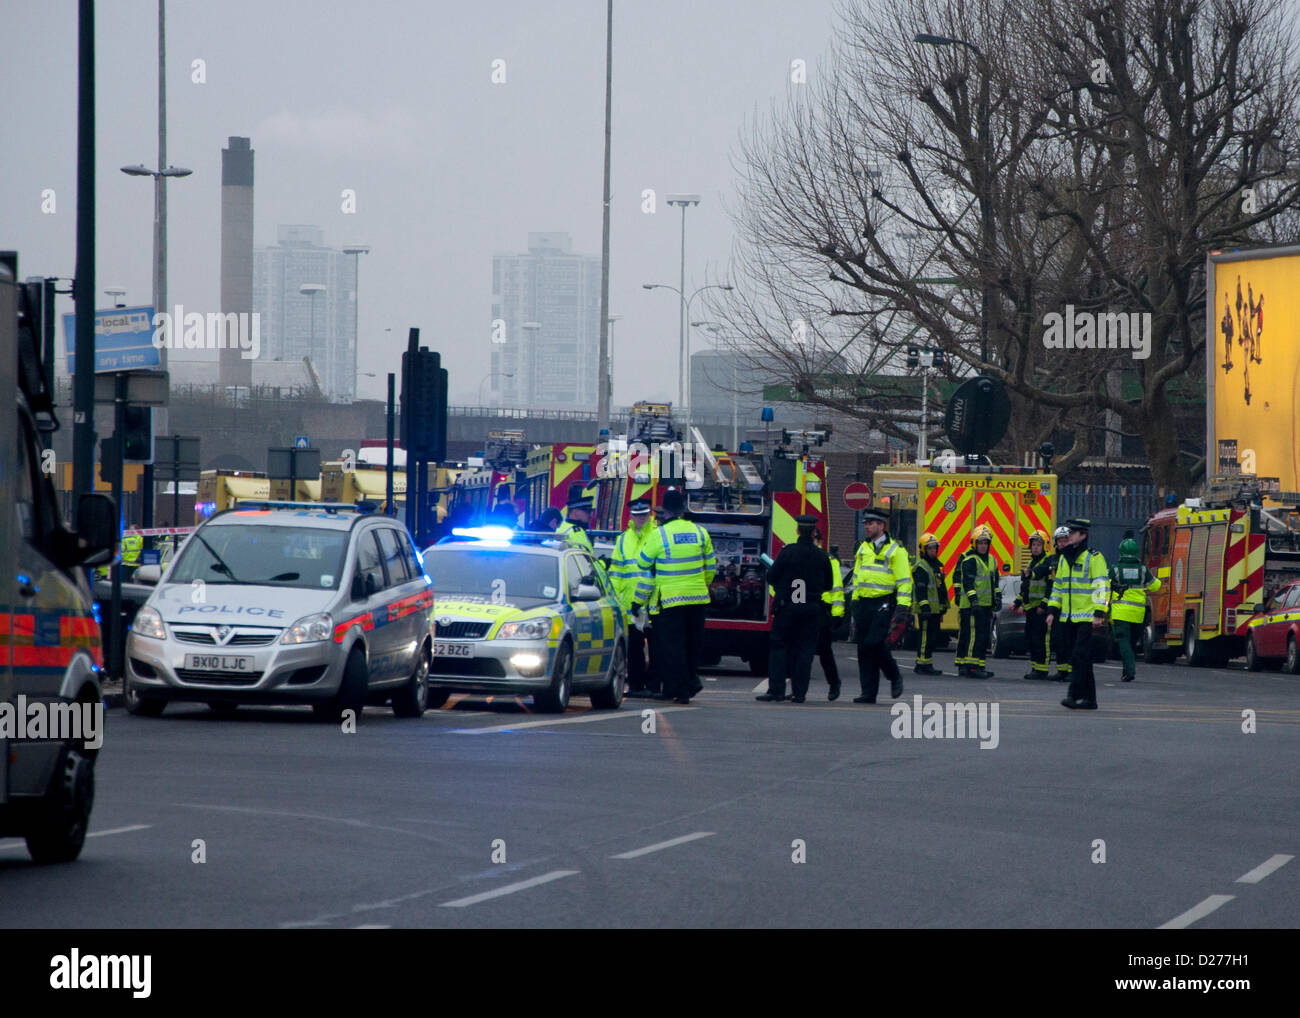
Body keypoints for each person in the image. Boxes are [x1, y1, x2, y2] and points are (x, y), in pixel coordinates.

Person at [631, 488, 715, 704]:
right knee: (692, 646)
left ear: (664, 511)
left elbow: (643, 564)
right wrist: (700, 586)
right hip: (697, 600)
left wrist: (638, 602)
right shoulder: (700, 532)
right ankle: (687, 684)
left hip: (671, 601)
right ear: (683, 509)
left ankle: (681, 690)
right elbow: (711, 568)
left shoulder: (659, 535)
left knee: (673, 648)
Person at [758, 515, 832, 704]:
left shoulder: (787, 552)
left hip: (788, 607)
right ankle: (799, 693)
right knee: (804, 651)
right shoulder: (822, 556)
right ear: (814, 532)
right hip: (811, 608)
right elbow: (828, 585)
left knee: (779, 648)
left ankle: (776, 691)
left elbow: (772, 577)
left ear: (798, 531)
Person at [849, 510, 913, 704]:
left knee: (875, 644)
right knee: (863, 649)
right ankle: (868, 692)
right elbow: (857, 578)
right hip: (863, 604)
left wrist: (903, 607)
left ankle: (894, 676)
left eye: (871, 523)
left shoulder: (896, 551)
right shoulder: (862, 549)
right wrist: (854, 600)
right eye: (866, 523)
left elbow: (904, 582)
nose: (867, 526)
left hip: (884, 602)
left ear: (881, 526)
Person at [1046, 518, 1110, 710]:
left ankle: (1073, 695)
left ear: (1083, 535)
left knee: (1078, 656)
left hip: (1087, 616)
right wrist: (1052, 610)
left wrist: (1099, 612)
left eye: (1073, 533)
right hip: (1068, 617)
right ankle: (1090, 699)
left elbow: (1101, 585)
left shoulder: (1094, 557)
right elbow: (1058, 587)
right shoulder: (1065, 558)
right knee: (1083, 659)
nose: (1069, 536)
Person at [610, 499, 657, 697]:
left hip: (653, 602)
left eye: (644, 515)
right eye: (637, 515)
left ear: (649, 516)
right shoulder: (623, 539)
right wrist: (615, 600)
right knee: (634, 648)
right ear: (631, 516)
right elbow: (616, 572)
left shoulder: (656, 535)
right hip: (630, 604)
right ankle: (636, 685)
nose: (640, 519)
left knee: (656, 648)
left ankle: (655, 686)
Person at [1108, 535, 1160, 682]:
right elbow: (1156, 586)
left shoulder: (1116, 570)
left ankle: (1129, 671)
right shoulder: (1143, 570)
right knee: (1131, 643)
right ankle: (1126, 671)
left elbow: (1105, 583)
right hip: (1138, 613)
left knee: (1123, 642)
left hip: (1120, 612)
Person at [956, 525, 999, 678]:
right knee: (972, 637)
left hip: (985, 606)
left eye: (985, 543)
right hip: (971, 607)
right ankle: (971, 667)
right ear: (974, 543)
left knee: (982, 637)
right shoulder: (970, 561)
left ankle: (980, 666)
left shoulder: (992, 561)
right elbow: (968, 584)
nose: (983, 545)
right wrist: (974, 601)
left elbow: (994, 583)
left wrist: (997, 598)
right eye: (980, 543)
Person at [912, 532, 948, 676]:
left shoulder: (937, 565)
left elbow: (941, 588)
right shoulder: (921, 566)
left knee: (932, 638)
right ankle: (921, 664)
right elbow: (921, 590)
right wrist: (925, 607)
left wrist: (944, 606)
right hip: (926, 610)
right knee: (925, 637)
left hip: (935, 609)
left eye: (934, 548)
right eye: (929, 548)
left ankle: (927, 663)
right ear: (923, 550)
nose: (933, 551)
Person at [813, 533, 845, 699]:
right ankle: (797, 687)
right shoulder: (806, 557)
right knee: (802, 651)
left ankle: (834, 683)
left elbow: (837, 588)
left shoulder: (829, 560)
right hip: (808, 608)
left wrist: (837, 614)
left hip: (823, 610)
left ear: (820, 541)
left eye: (815, 540)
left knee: (824, 652)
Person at [1019, 530, 1053, 680]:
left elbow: (1050, 588)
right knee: (1031, 639)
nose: (1035, 548)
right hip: (1031, 609)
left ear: (1044, 546)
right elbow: (1025, 587)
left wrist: (1044, 606)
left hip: (1041, 610)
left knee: (1041, 640)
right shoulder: (1030, 564)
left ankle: (1042, 669)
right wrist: (1019, 602)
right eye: (1033, 545)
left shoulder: (1048, 563)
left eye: (1039, 545)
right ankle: (1035, 667)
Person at [1046, 525, 1073, 682]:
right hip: (1057, 608)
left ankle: (1071, 671)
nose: (1062, 544)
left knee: (1070, 641)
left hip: (1072, 608)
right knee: (1058, 641)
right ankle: (1062, 670)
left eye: (1065, 540)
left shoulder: (1073, 558)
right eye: (1060, 541)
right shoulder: (1053, 560)